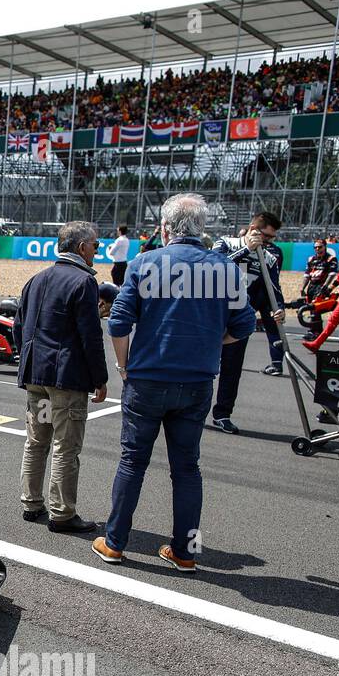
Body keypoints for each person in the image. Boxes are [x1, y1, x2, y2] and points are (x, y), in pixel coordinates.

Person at [96, 193, 256, 571]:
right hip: (198, 381)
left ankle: (115, 543)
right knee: (187, 469)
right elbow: (244, 326)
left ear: (165, 229)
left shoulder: (145, 262)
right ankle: (186, 552)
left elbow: (118, 323)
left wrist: (123, 367)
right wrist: (211, 344)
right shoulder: (225, 268)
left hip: (147, 379)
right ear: (202, 229)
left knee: (133, 462)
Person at [13, 221, 109, 534]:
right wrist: (100, 377)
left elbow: (17, 326)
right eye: (95, 246)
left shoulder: (36, 279)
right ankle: (62, 513)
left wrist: (26, 359)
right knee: (66, 447)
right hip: (65, 380)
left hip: (35, 376)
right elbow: (91, 336)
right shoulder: (83, 282)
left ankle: (31, 502)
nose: (97, 251)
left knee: (36, 440)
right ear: (82, 248)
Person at [209, 211, 288, 433]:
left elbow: (274, 287)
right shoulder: (226, 243)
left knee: (232, 370)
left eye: (273, 238)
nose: (270, 242)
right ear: (254, 228)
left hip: (240, 320)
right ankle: (188, 408)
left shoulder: (270, 258)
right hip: (212, 315)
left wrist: (278, 308)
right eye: (268, 236)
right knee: (200, 364)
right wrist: (247, 251)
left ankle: (222, 414)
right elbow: (213, 268)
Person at [299, 239, 338, 310]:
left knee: (316, 308)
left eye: (320, 247)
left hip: (321, 286)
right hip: (311, 286)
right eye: (315, 247)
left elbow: (332, 274)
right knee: (310, 308)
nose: (317, 249)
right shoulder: (311, 259)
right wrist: (302, 288)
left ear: (325, 247)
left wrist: (325, 286)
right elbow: (307, 275)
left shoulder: (331, 259)